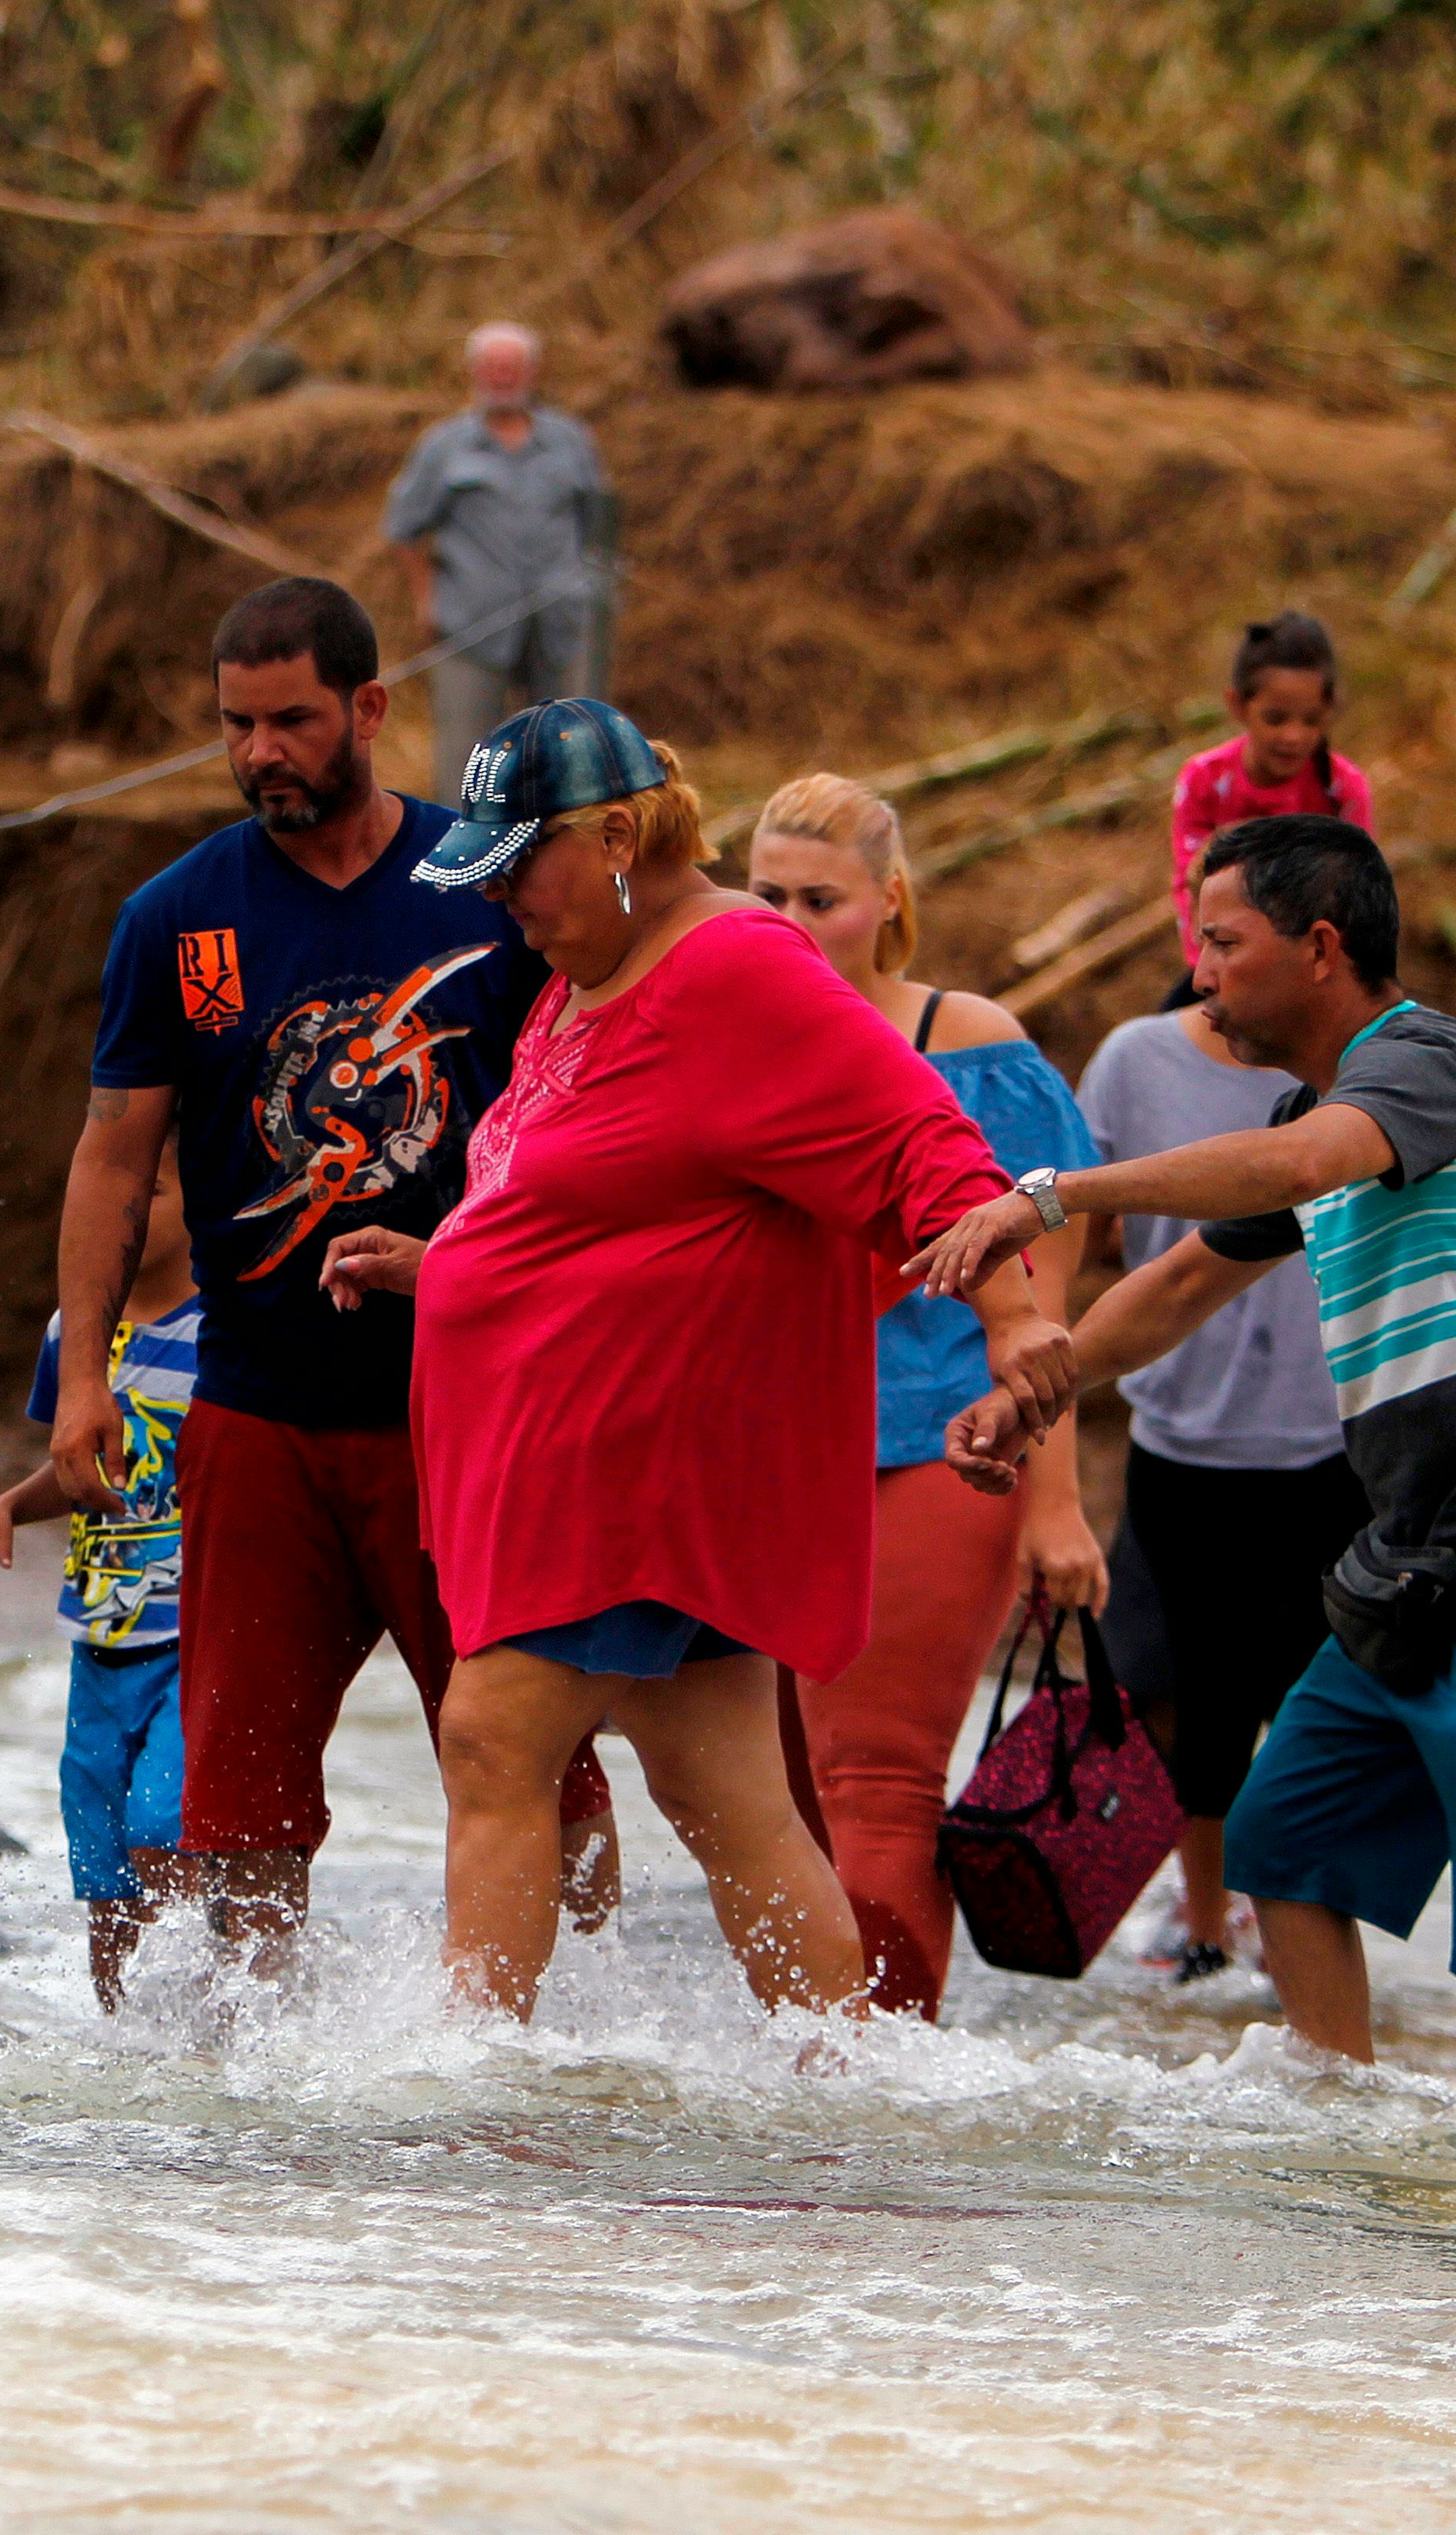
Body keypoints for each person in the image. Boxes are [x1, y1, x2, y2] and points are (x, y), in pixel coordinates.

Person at [318, 699, 1076, 2026]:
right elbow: (617, 1209)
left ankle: (464, 2086)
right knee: (723, 1786)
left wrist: (1014, 1326)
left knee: (494, 1735)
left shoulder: (733, 964)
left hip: (626, 1471)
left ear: (617, 833)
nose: (502, 900)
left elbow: (921, 1140)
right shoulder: (592, 969)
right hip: (610, 1457)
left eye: (516, 866)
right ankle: (849, 2075)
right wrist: (446, 1264)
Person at [919, 814, 1456, 2116]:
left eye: (1222, 942)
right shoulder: (1315, 1112)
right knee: (1282, 1842)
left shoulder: (1429, 1063)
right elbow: (1186, 1277)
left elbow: (1316, 1160)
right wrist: (1035, 1390)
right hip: (1414, 1568)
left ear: (1319, 947)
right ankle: (1346, 2138)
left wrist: (1052, 1194)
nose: (1201, 973)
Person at [55, 577, 616, 1985]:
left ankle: (587, 2026)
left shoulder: (481, 889)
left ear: (369, 708)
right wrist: (78, 1380)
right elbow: (114, 1161)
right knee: (237, 1787)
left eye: (292, 720)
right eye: (238, 725)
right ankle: (275, 2068)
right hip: (258, 1408)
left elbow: (593, 1117)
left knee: (532, 1747)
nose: (262, 753)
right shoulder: (175, 919)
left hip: (467, 1404)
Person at [743, 773, 1104, 2017]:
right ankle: (814, 2080)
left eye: (823, 899)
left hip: (937, 1448)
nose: (792, 921)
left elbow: (1044, 1280)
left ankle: (873, 2098)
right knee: (774, 1806)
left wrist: (1055, 1504)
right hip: (770, 1456)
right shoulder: (724, 1034)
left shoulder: (970, 1041)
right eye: (769, 894)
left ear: (888, 903)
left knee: (880, 1786)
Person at [1076, 997, 1370, 1981]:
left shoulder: (1367, 1070)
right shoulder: (1136, 1055)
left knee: (1315, 1699)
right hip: (1184, 1434)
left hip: (1330, 1439)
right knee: (1189, 1696)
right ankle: (1204, 1920)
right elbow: (1101, 1238)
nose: (1215, 967)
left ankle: (1306, 1923)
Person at [0, 1144, 205, 2012]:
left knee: (158, 1831)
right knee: (100, 1862)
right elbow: (76, 1470)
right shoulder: (76, 1338)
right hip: (99, 1646)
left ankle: (201, 2017)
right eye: (115, 1194)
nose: (127, 1212)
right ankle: (119, 2035)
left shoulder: (225, 1333)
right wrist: (8, 1508)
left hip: (193, 1643)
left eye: (155, 1193)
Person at [382, 322, 617, 805]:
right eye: (492, 368)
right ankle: (463, 865)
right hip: (473, 624)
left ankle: (569, 860)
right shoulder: (443, 447)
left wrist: (595, 587)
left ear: (532, 372)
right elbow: (404, 527)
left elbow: (599, 522)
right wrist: (426, 600)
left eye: (511, 368)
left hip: (563, 623)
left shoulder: (570, 440)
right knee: (468, 763)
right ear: (474, 372)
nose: (502, 378)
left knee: (572, 754)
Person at [1167, 612, 1372, 986]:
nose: (1294, 736)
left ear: (1330, 713)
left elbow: (1359, 896)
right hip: (1223, 968)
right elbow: (1189, 887)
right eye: (1276, 719)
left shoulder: (1343, 789)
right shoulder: (1205, 780)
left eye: (1310, 720)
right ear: (1238, 706)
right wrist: (1210, 970)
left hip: (1314, 974)